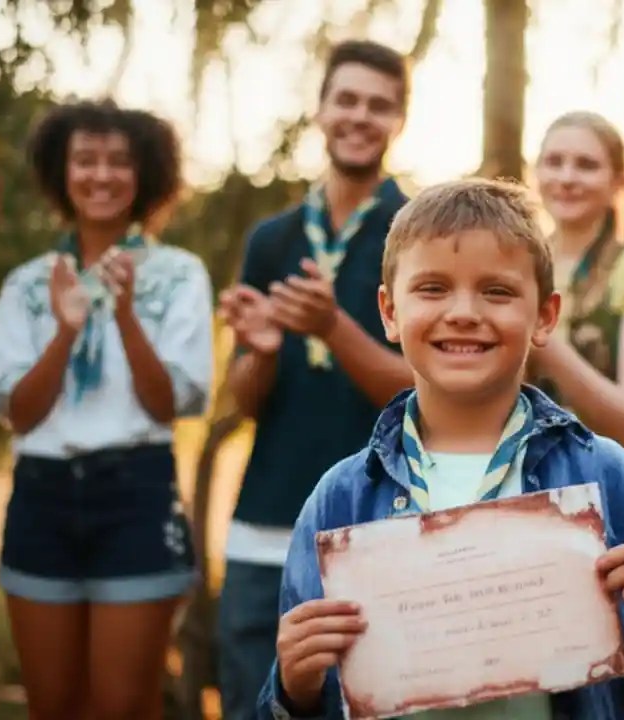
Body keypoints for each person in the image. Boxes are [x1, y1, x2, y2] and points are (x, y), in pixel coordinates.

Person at [254, 177, 624, 719]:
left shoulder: (603, 473)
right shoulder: (342, 498)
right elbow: (299, 702)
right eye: (432, 288)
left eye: (496, 290)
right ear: (390, 312)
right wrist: (294, 684)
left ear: (545, 315)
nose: (464, 312)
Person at [0, 100, 213, 720]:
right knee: (53, 706)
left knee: (123, 705)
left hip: (136, 492)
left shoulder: (178, 273)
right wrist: (63, 332)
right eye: (85, 160)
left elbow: (171, 404)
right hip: (42, 494)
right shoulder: (31, 283)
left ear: (147, 176)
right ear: (62, 172)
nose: (101, 176)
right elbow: (19, 415)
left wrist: (128, 315)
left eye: (120, 162)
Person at [215, 39, 416, 719]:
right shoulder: (271, 239)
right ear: (321, 109)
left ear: (401, 121)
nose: (361, 117)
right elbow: (245, 401)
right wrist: (265, 350)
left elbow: (427, 393)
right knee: (258, 707)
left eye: (380, 106)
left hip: (383, 524)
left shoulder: (414, 233)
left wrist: (333, 327)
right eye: (347, 100)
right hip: (265, 520)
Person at [529, 111, 624, 478]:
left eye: (586, 165)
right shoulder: (513, 263)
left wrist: (540, 340)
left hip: (610, 484)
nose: (567, 177)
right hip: (522, 482)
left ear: (618, 182)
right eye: (554, 162)